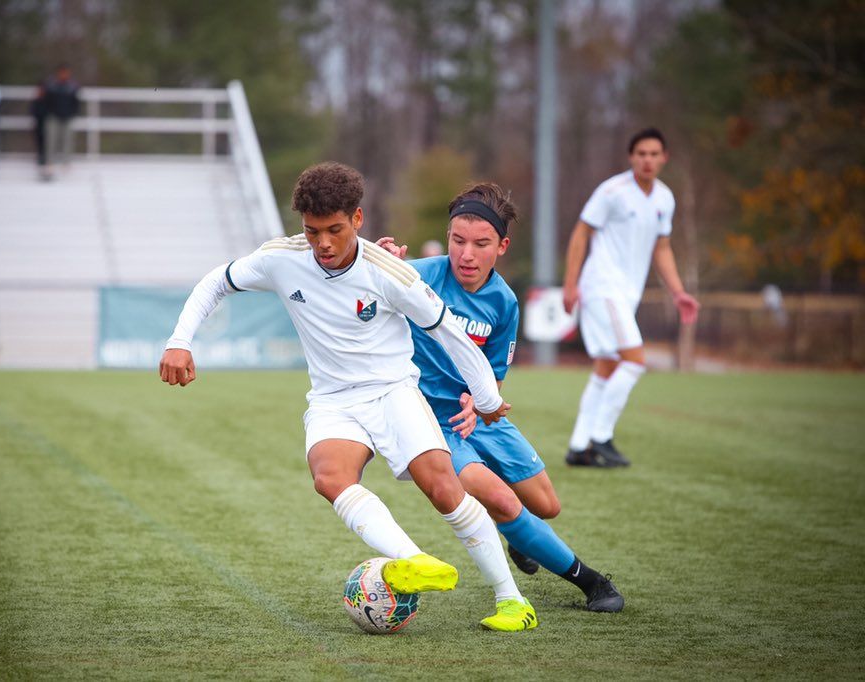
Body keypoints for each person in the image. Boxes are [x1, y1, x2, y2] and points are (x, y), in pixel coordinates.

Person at [161, 162, 538, 632]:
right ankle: (413, 560)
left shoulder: (388, 273)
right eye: (312, 230)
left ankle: (511, 601)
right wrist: (180, 340)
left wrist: (484, 395)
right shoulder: (283, 257)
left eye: (334, 230)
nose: (322, 243)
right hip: (334, 399)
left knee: (443, 487)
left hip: (393, 391)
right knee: (329, 476)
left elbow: (447, 330)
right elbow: (217, 280)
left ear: (357, 220)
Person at [376, 183, 624, 612]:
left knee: (546, 505)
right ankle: (592, 582)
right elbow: (364, 278)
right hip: (429, 422)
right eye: (457, 241)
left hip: (479, 413)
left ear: (502, 246)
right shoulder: (419, 276)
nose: (465, 254)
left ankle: (518, 536)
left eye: (480, 243)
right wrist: (381, 259)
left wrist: (478, 400)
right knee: (503, 500)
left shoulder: (504, 302)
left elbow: (494, 374)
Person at [562, 128, 700, 467]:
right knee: (635, 361)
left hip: (626, 293)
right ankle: (602, 437)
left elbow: (662, 247)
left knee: (608, 366)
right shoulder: (612, 191)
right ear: (631, 157)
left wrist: (679, 292)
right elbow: (581, 233)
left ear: (664, 157)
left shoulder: (665, 199)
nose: (647, 160)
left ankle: (579, 446)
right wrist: (570, 283)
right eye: (641, 153)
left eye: (654, 154)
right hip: (602, 287)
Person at [43, 64, 81, 175]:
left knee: (68, 141)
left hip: (68, 117)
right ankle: (49, 163)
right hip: (54, 116)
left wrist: (73, 113)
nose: (63, 75)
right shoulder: (51, 86)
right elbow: (46, 101)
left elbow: (76, 103)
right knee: (51, 140)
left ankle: (66, 163)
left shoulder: (73, 86)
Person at [30, 82, 50, 180]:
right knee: (40, 148)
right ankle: (41, 168)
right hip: (39, 128)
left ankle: (47, 169)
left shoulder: (49, 102)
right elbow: (33, 112)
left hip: (48, 129)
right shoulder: (36, 101)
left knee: (48, 148)